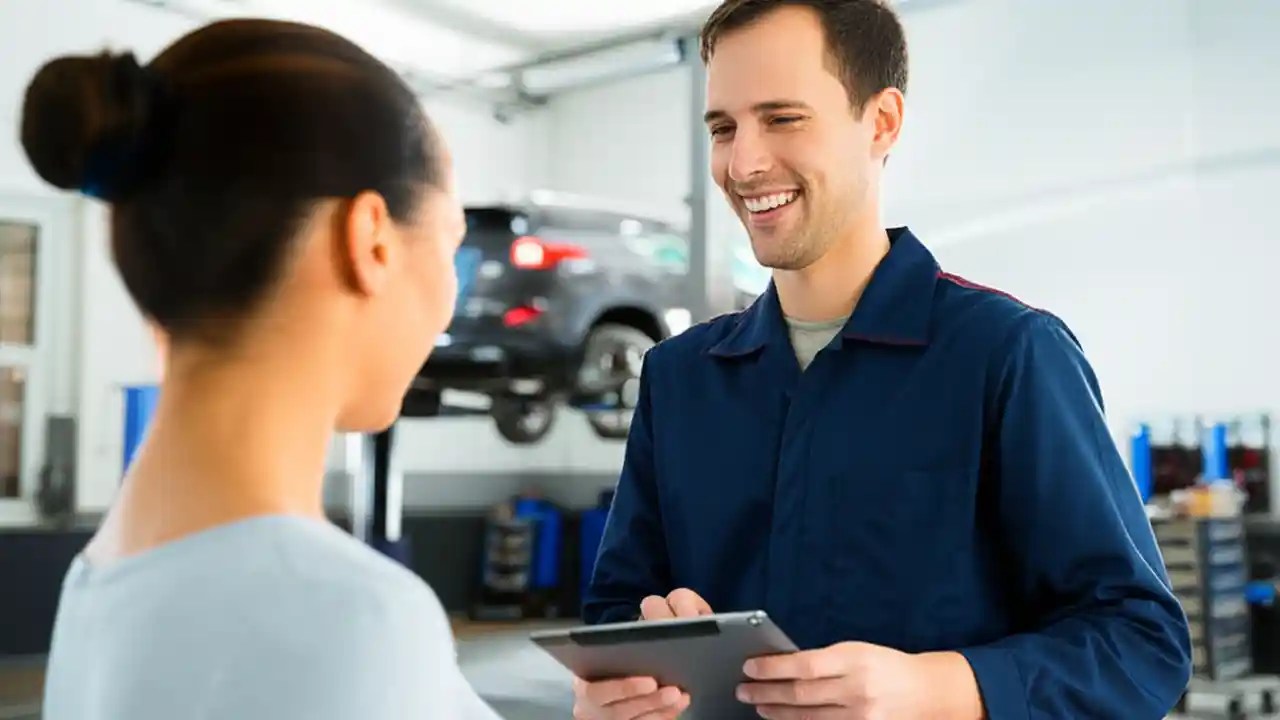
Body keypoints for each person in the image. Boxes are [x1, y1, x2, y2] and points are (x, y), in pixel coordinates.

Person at [574, 1, 1193, 718]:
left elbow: (1142, 644)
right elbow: (615, 619)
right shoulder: (680, 378)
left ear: (883, 122)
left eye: (783, 118)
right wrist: (617, 694)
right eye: (723, 128)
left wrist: (939, 687)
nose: (743, 162)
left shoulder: (1007, 355)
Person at [22, 19, 499, 720]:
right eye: (450, 243)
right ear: (370, 240)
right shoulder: (353, 617)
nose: (449, 304)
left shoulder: (97, 578)